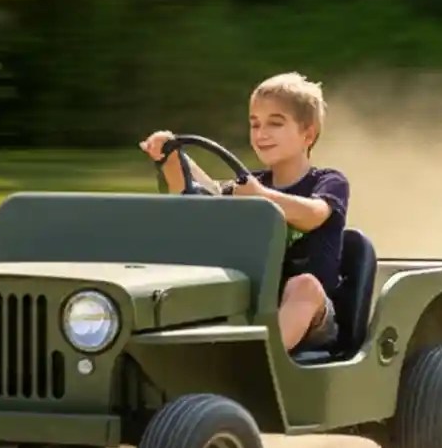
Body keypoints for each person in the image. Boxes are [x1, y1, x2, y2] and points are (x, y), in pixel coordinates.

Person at [138, 72, 351, 353]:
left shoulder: (328, 182)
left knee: (305, 285)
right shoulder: (251, 183)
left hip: (315, 319)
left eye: (275, 124)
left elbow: (314, 214)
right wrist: (175, 158)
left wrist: (262, 197)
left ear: (307, 134)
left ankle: (260, 360)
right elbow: (210, 195)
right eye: (255, 124)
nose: (262, 134)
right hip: (252, 305)